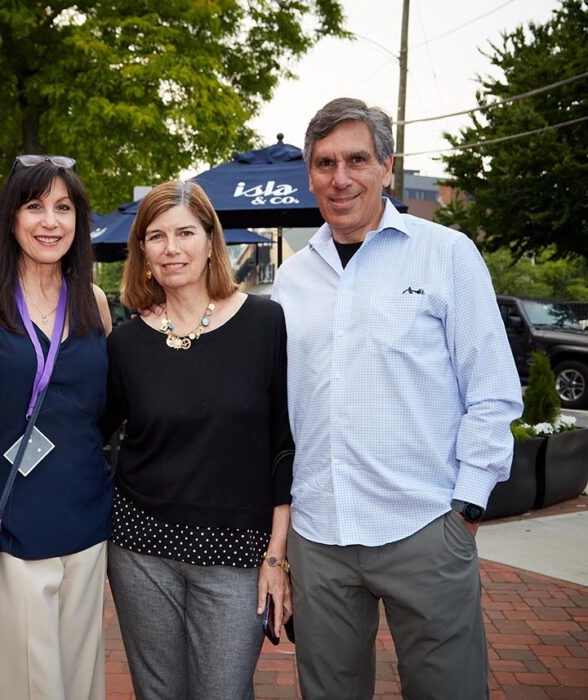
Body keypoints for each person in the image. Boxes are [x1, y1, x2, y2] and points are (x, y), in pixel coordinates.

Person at [272, 97, 523, 699]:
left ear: (387, 166)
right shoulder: (292, 278)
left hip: (424, 527)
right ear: (310, 174)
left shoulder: (446, 254)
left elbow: (491, 389)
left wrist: (468, 506)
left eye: (357, 159)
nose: (340, 178)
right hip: (320, 536)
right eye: (325, 163)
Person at [103, 180, 294, 700]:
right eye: (157, 236)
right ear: (141, 249)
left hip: (236, 556)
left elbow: (284, 444)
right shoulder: (125, 342)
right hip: (140, 551)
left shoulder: (264, 323)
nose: (172, 248)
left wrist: (277, 558)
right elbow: (89, 430)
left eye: (186, 232)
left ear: (212, 241)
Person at [0, 155, 113, 699]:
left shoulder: (96, 304)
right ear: (10, 217)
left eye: (63, 208)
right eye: (34, 206)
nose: (50, 221)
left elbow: (98, 412)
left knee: (78, 683)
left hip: (84, 524)